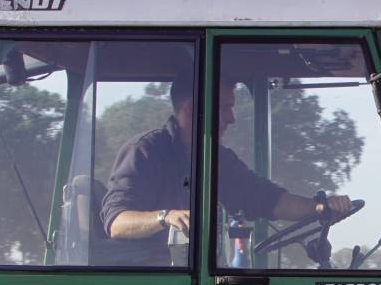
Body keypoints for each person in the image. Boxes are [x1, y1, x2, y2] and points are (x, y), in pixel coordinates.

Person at [101, 75, 355, 265]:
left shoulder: (218, 160)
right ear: (191, 109)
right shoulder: (146, 151)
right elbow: (117, 223)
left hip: (199, 279)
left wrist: (319, 208)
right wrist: (165, 217)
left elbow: (270, 200)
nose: (232, 118)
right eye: (224, 108)